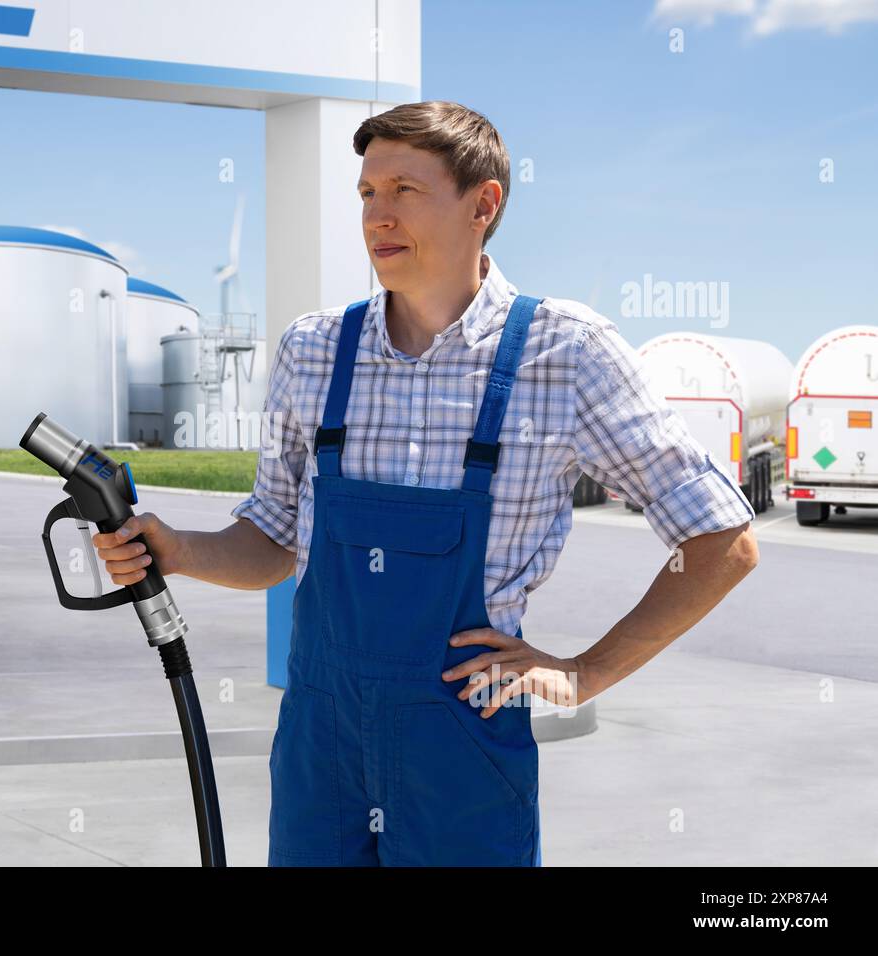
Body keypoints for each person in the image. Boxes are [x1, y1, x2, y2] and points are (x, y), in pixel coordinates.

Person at [92, 101, 759, 866]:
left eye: (405, 189)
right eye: (367, 194)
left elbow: (723, 541)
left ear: (484, 204)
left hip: (461, 756)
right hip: (322, 747)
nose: (379, 215)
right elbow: (275, 537)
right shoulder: (314, 350)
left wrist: (582, 673)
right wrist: (177, 550)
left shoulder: (566, 353)